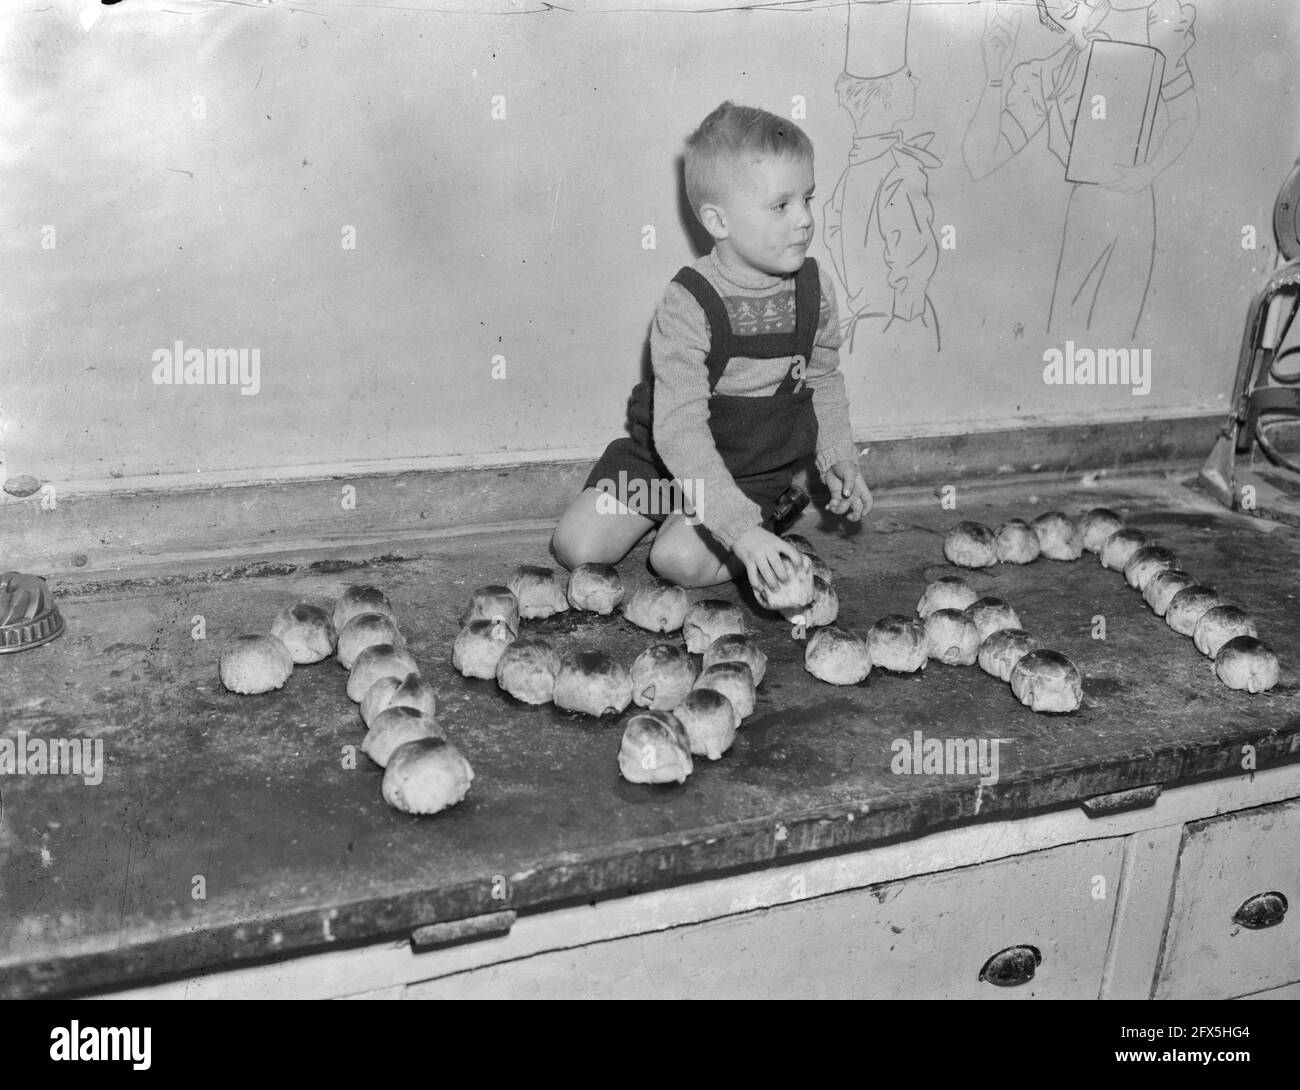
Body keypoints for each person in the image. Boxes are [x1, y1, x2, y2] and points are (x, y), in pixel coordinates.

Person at [551, 102, 871, 594]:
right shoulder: (688, 302)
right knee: (578, 547)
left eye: (808, 198)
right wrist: (734, 530)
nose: (805, 219)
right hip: (666, 467)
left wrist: (837, 457)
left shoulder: (814, 290)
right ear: (718, 221)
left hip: (752, 474)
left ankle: (767, 514)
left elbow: (823, 377)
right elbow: (678, 430)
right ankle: (691, 515)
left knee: (675, 561)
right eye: (781, 205)